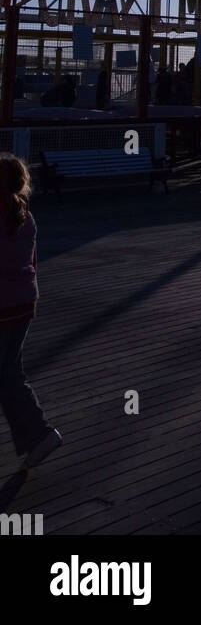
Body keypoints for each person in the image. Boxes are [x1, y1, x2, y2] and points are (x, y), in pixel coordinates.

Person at [0, 153, 62, 469]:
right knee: (10, 370)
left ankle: (38, 433)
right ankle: (33, 438)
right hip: (24, 303)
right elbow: (31, 261)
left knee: (6, 374)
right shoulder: (27, 216)